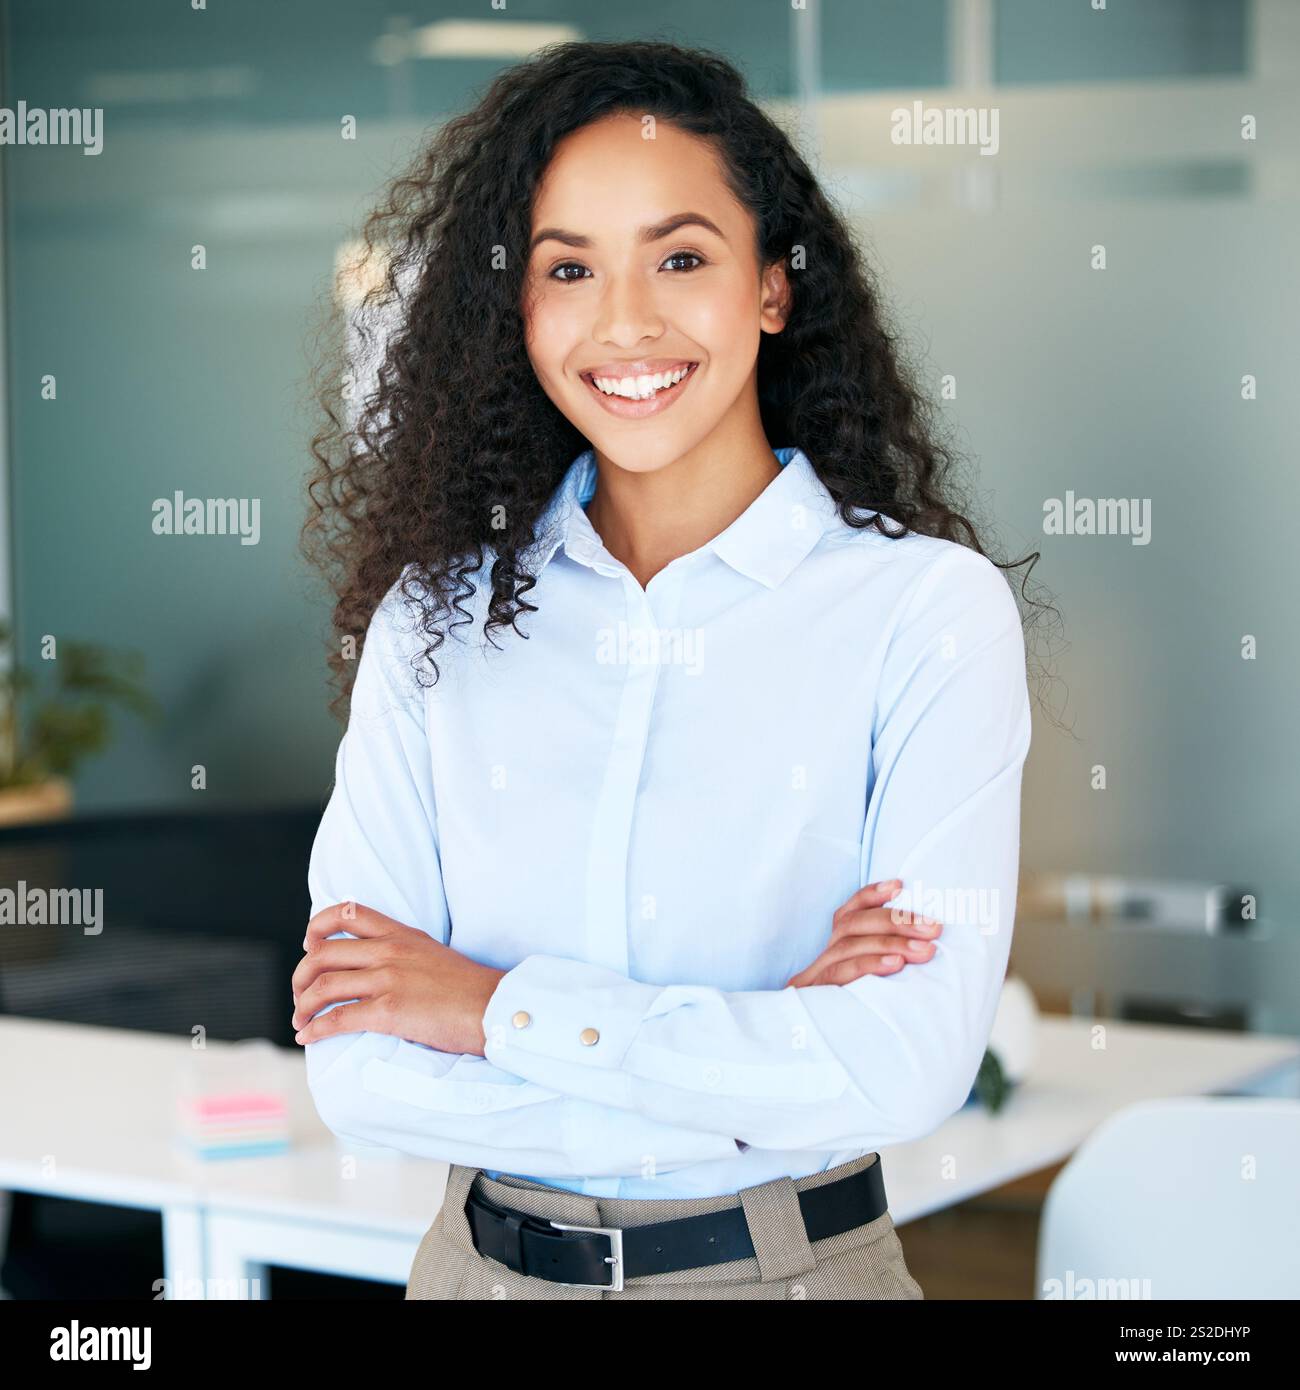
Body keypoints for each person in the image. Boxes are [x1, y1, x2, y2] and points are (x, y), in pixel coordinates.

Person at [293, 39, 1041, 1300]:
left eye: (680, 257)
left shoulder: (923, 615)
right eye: (568, 268)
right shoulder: (433, 624)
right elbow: (361, 1077)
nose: (626, 321)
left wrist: (485, 1011)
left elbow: (907, 1067)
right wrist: (764, 1059)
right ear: (515, 308)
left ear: (771, 287)